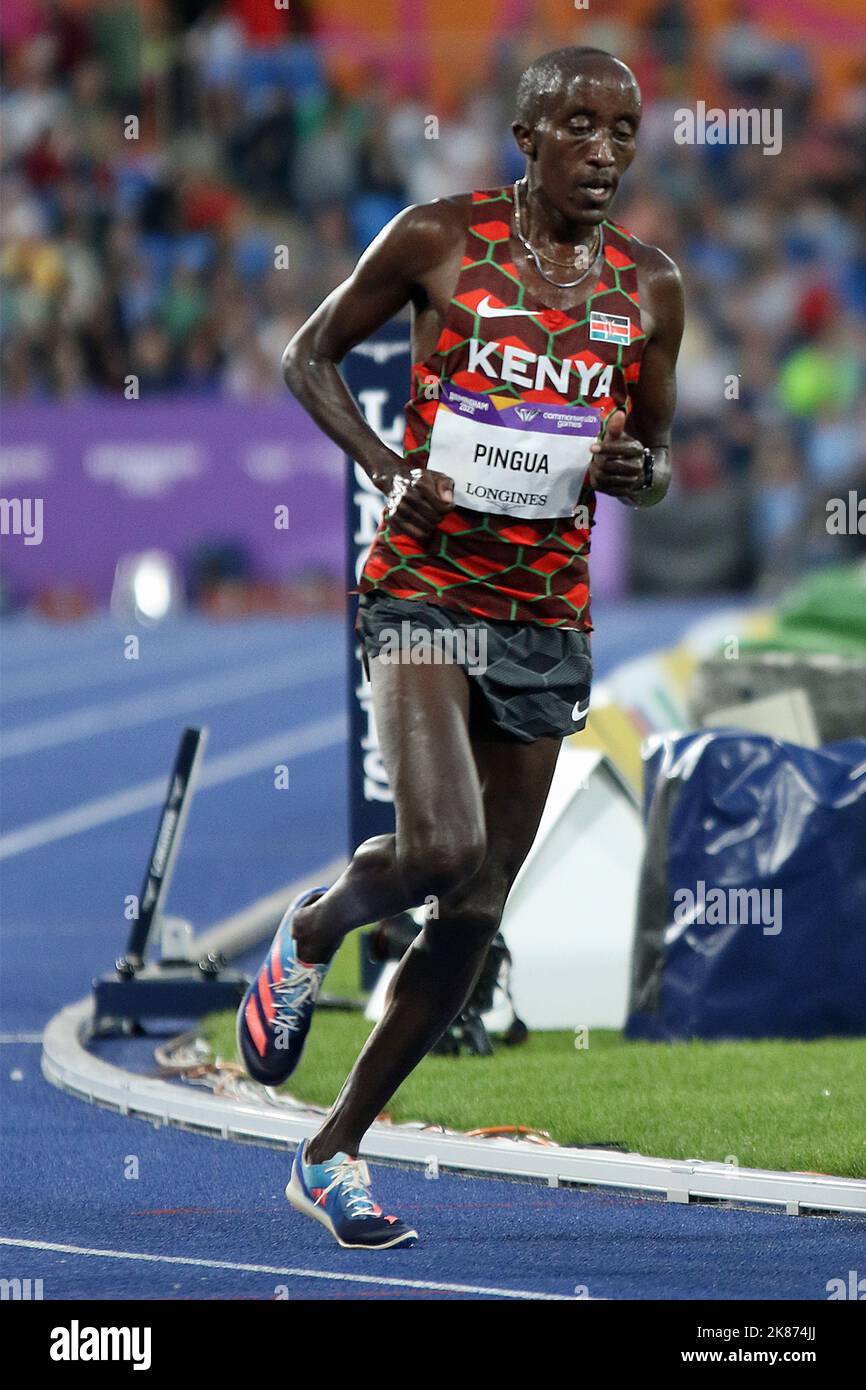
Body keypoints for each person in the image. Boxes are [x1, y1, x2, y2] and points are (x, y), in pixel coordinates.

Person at [237, 46, 684, 1249]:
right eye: (578, 126)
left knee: (478, 909)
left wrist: (638, 470)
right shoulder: (438, 239)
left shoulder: (649, 289)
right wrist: (386, 472)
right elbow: (305, 355)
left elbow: (646, 459)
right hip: (426, 584)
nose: (602, 151)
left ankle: (331, 1155)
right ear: (527, 135)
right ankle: (315, 928)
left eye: (621, 131)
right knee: (439, 845)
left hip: (545, 608)